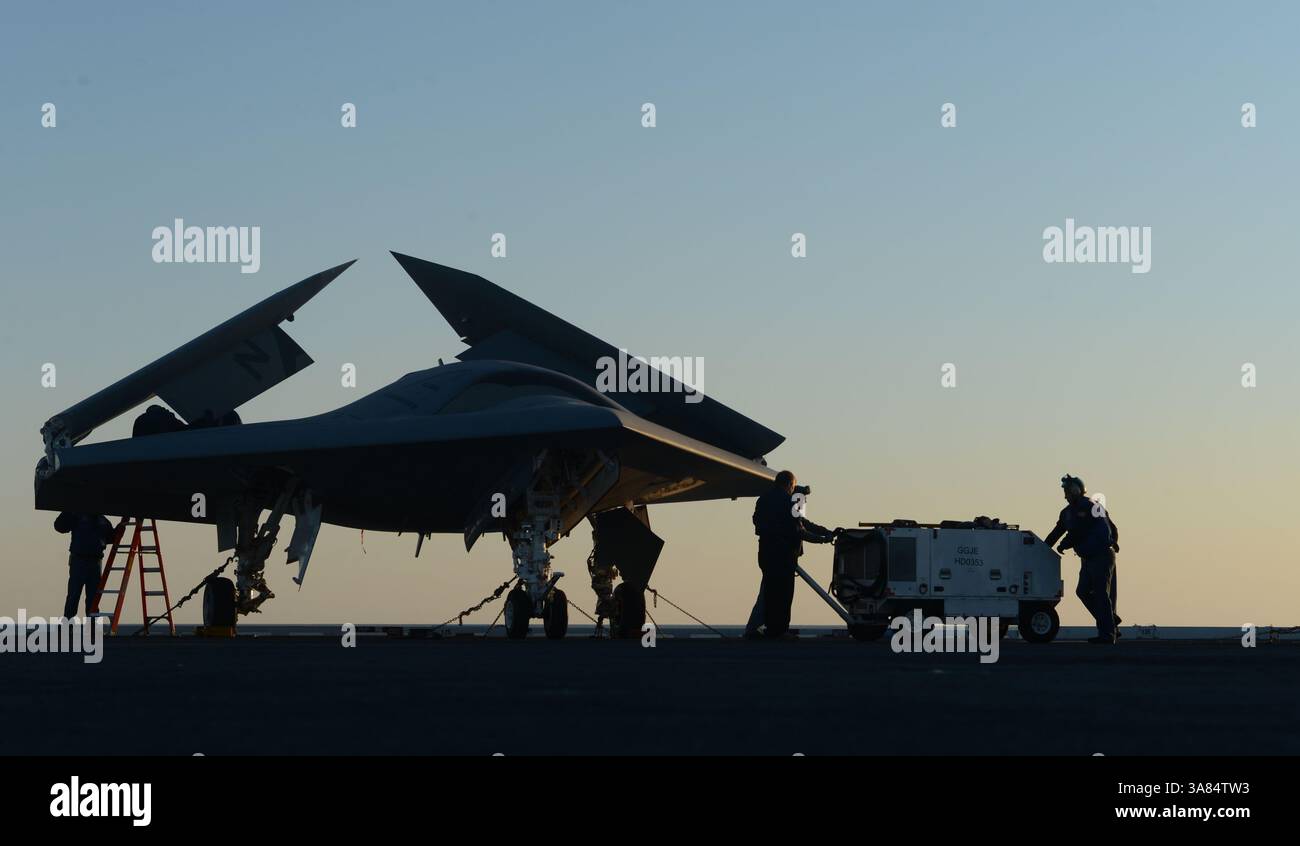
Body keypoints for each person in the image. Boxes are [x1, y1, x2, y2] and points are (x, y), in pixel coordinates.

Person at [749, 471, 839, 639]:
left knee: (770, 594)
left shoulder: (763, 499)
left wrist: (825, 532)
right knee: (784, 595)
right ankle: (780, 631)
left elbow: (758, 520)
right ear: (790, 485)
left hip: (766, 553)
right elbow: (800, 530)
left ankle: (770, 629)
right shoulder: (790, 501)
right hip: (784, 556)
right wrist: (823, 539)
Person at [1043, 475, 1116, 644]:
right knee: (1082, 591)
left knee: (1100, 593)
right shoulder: (1067, 513)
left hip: (1101, 555)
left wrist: (1064, 545)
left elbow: (1080, 531)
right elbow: (1057, 532)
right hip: (1088, 557)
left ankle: (1108, 634)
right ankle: (1110, 622)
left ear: (1076, 490)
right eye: (1065, 491)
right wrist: (1042, 548)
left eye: (1068, 491)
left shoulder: (1090, 506)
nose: (1066, 494)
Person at [54, 512, 116, 618]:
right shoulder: (79, 515)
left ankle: (89, 627)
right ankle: (70, 624)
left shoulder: (101, 520)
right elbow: (60, 526)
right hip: (81, 560)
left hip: (92, 561)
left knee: (91, 598)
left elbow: (111, 537)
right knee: (75, 595)